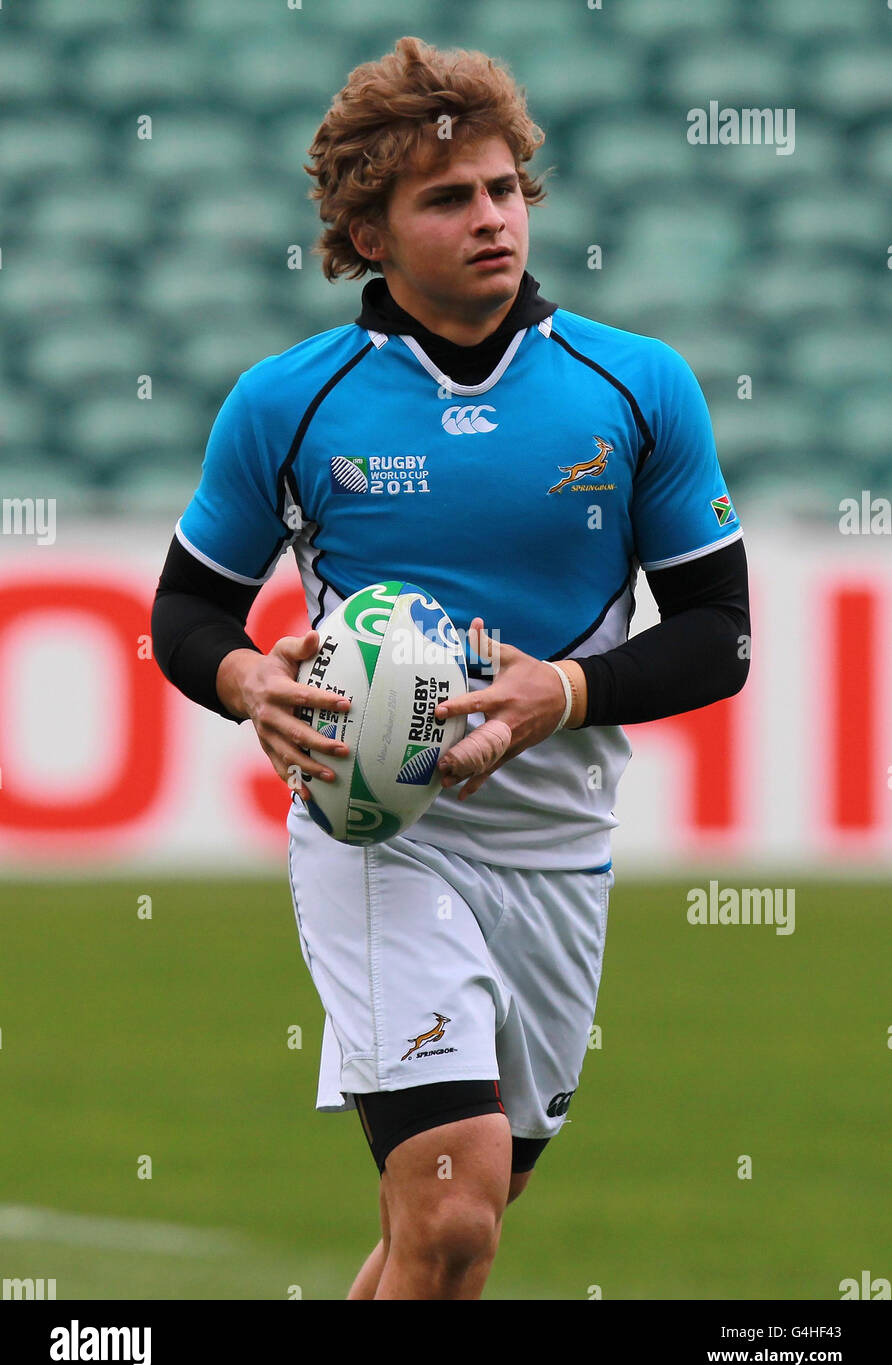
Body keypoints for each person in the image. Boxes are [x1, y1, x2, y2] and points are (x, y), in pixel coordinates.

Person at [151, 35, 750, 1300]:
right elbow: (188, 612)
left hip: (557, 844)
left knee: (457, 1223)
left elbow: (720, 633)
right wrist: (248, 679)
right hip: (381, 826)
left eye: (504, 189)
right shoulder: (287, 401)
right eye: (446, 198)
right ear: (367, 233)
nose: (493, 218)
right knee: (454, 1216)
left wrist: (567, 693)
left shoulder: (635, 385)